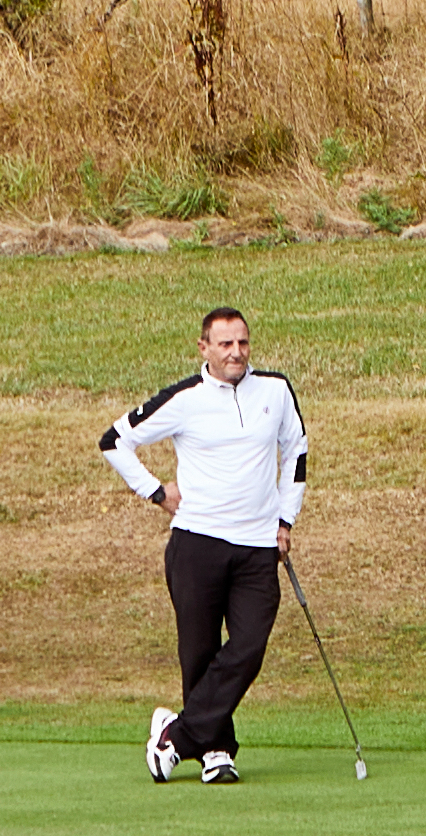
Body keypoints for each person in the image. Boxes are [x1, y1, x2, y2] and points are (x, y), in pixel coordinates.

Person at [97, 302, 305, 783]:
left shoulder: (275, 390)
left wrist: (285, 518)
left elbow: (296, 448)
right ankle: (215, 750)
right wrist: (155, 491)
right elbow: (114, 440)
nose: (236, 353)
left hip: (257, 544)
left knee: (249, 645)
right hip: (197, 541)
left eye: (243, 343)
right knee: (199, 650)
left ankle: (176, 735)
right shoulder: (185, 398)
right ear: (205, 347)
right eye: (226, 344)